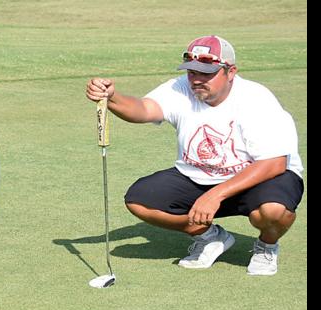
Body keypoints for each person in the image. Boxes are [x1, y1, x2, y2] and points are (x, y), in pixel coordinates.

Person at [87, 36, 303, 276]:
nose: (197, 80)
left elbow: (274, 163)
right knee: (140, 199)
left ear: (230, 72)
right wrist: (112, 97)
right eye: (192, 72)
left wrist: (215, 195)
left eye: (206, 73)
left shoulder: (256, 99)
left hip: (259, 178)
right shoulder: (180, 88)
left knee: (273, 211)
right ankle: (211, 238)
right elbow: (143, 109)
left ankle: (267, 246)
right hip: (199, 176)